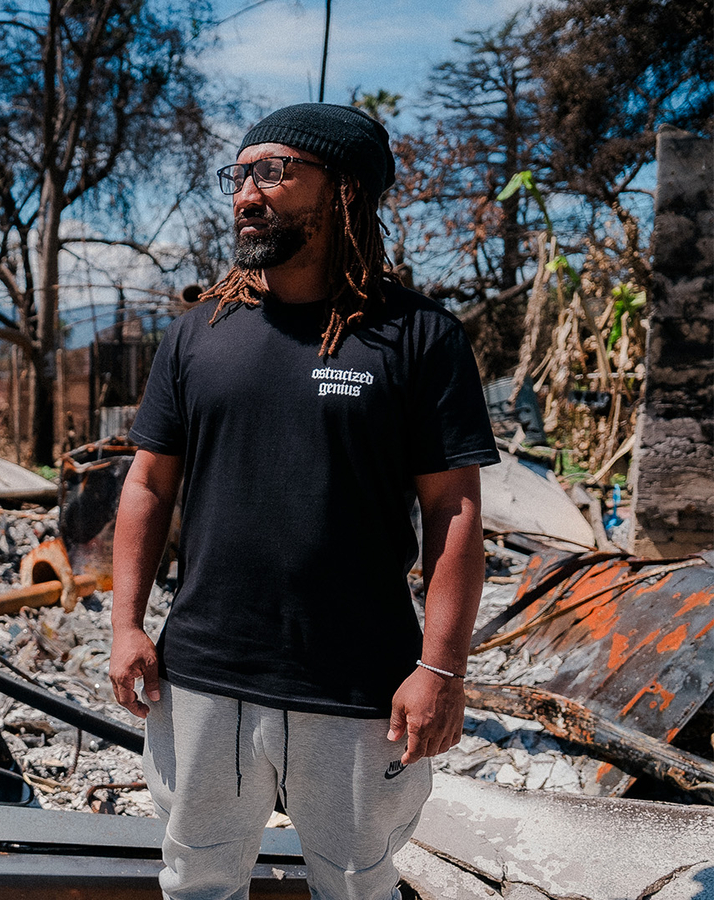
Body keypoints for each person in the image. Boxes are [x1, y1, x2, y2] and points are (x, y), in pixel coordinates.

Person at [109, 103, 498, 900]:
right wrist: (124, 624)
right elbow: (148, 483)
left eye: (275, 171)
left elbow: (453, 512)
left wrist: (441, 669)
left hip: (360, 684)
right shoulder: (197, 335)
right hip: (206, 675)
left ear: (346, 192)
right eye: (240, 174)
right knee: (196, 882)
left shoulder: (416, 338)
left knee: (357, 884)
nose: (247, 194)